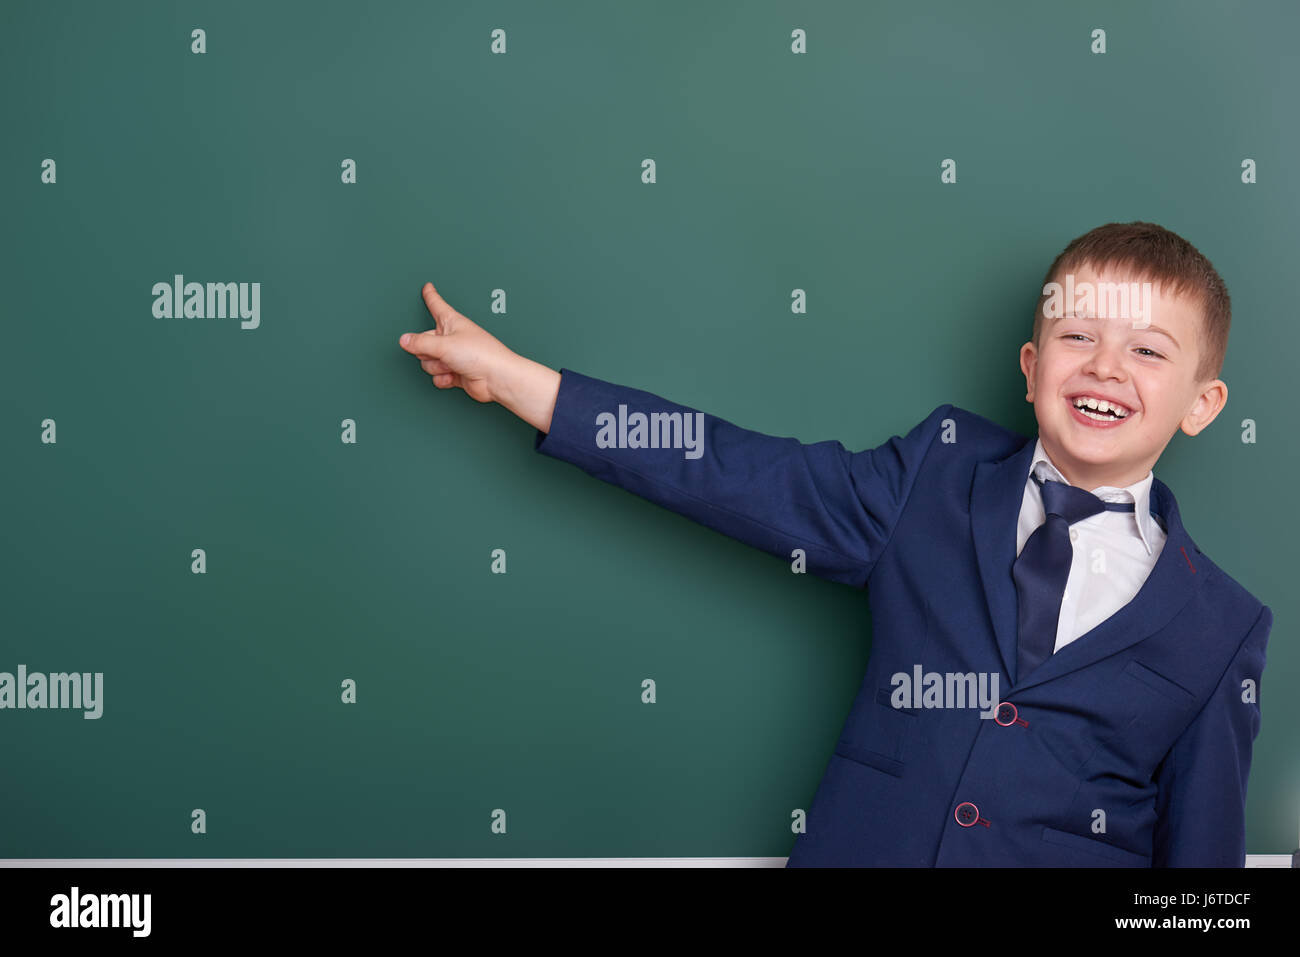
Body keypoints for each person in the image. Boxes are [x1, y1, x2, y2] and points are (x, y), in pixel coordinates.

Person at [398, 221, 1270, 866]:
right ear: (1033, 365)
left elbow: (1201, 877)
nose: (1106, 366)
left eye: (1149, 351)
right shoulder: (933, 476)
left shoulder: (1221, 625)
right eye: (1078, 336)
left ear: (1202, 402)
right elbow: (733, 472)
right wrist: (526, 385)